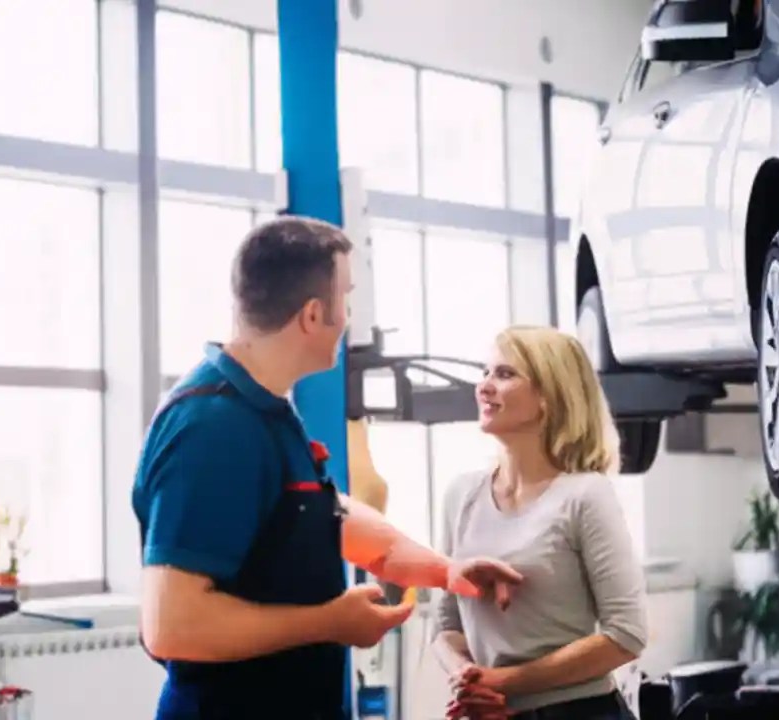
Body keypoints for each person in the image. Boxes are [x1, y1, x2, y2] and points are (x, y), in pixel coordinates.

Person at [133, 216, 523, 720]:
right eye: (347, 299)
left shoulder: (265, 408)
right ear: (314, 314)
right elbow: (172, 625)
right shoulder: (213, 427)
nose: (349, 319)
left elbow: (321, 511)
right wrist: (329, 622)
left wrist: (445, 571)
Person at [432, 326, 648, 720]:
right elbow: (445, 626)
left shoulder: (585, 495)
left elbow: (626, 635)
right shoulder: (460, 495)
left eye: (504, 374)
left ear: (548, 396)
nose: (484, 386)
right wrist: (465, 677)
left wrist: (502, 682)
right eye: (485, 372)